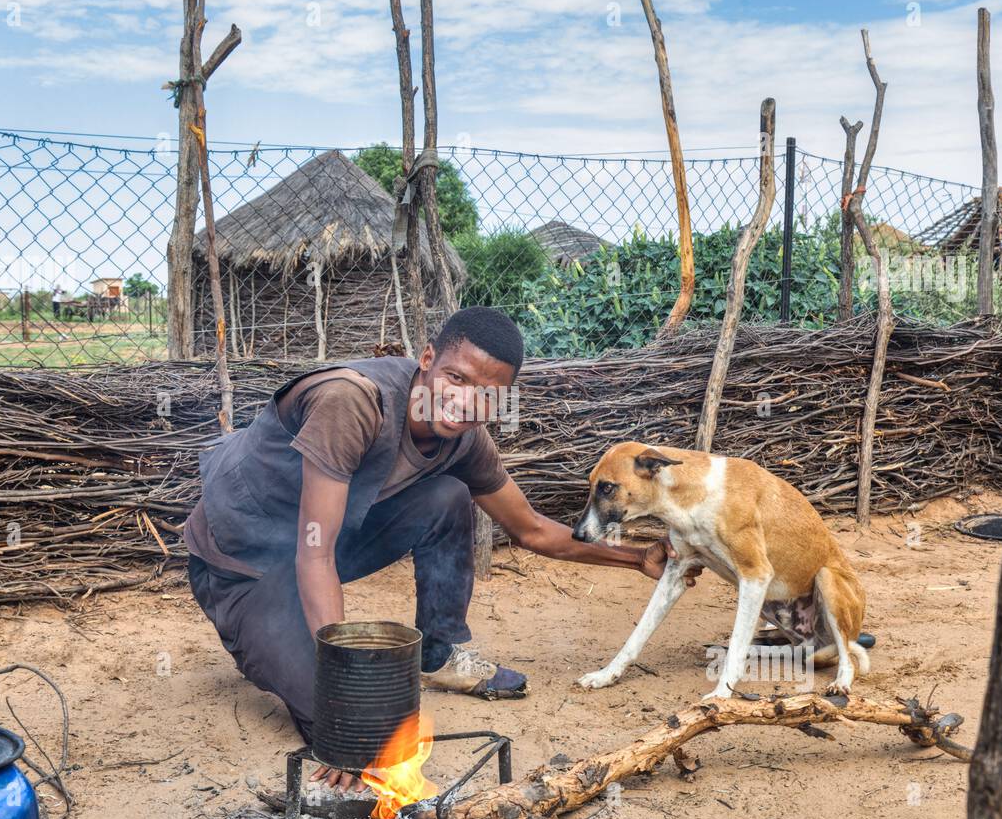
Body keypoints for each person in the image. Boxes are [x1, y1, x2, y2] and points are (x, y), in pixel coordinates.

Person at [183, 307, 677, 791]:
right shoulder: (352, 402)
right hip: (243, 563)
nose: (466, 403)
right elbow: (315, 552)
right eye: (457, 379)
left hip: (327, 542)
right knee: (358, 733)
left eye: (488, 395)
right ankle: (293, 660)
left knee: (448, 496)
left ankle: (439, 653)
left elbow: (531, 530)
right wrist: (350, 683)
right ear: (426, 359)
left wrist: (636, 558)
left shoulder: (466, 439)